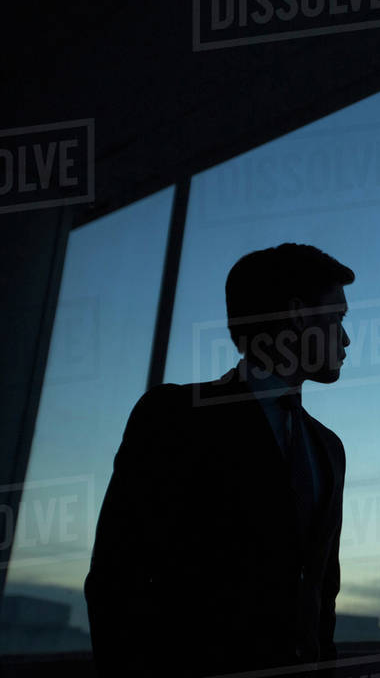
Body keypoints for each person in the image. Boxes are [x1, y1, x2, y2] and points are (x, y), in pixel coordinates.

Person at [85, 243, 353, 677]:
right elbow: (118, 576)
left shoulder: (329, 448)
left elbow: (322, 591)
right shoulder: (175, 416)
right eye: (337, 318)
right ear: (299, 315)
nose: (345, 338)